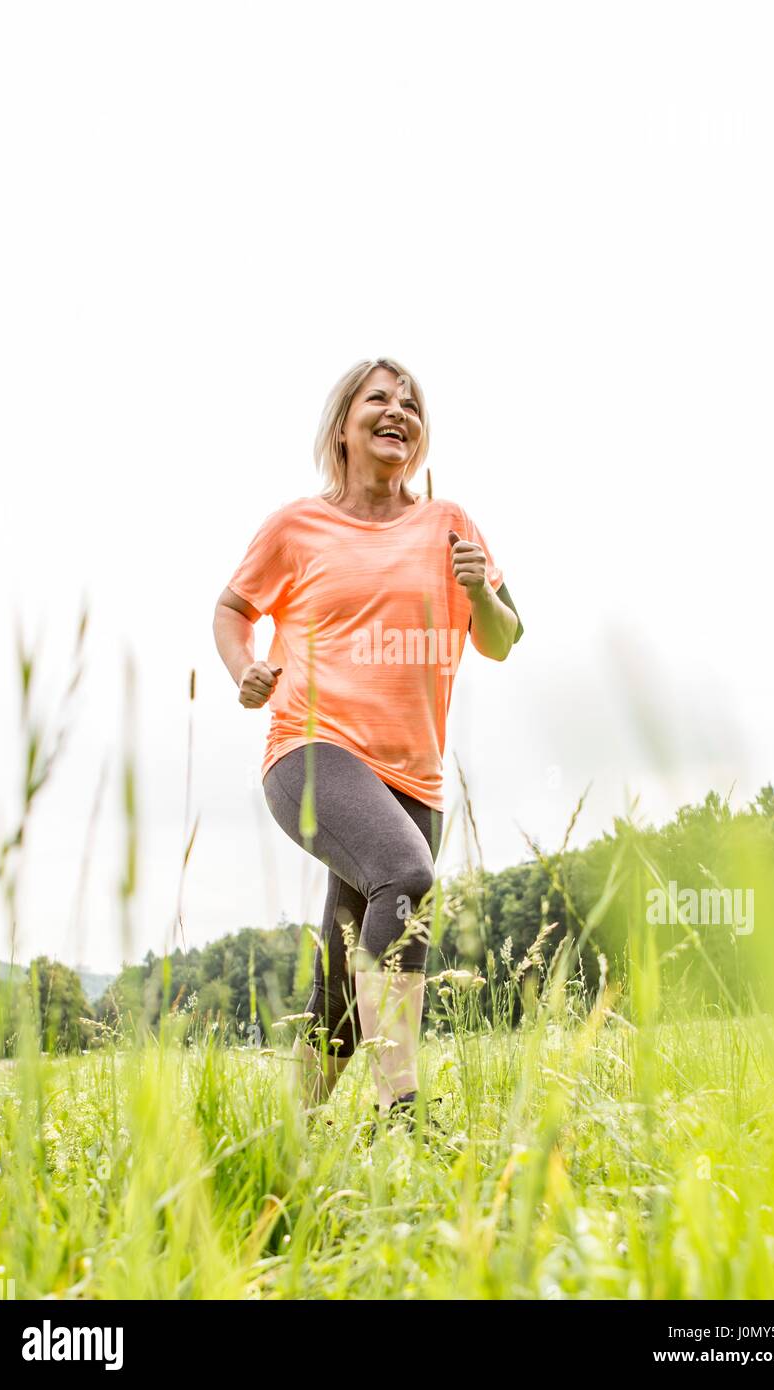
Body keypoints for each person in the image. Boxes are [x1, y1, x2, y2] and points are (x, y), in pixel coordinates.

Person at [213, 357, 523, 1127]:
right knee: (407, 879)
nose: (398, 411)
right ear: (344, 425)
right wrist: (246, 668)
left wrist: (481, 589)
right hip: (311, 749)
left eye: (411, 403)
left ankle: (287, 1140)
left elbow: (503, 640)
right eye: (378, 398)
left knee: (341, 989)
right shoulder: (297, 525)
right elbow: (231, 609)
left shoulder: (450, 522)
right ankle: (402, 1108)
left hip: (414, 780)